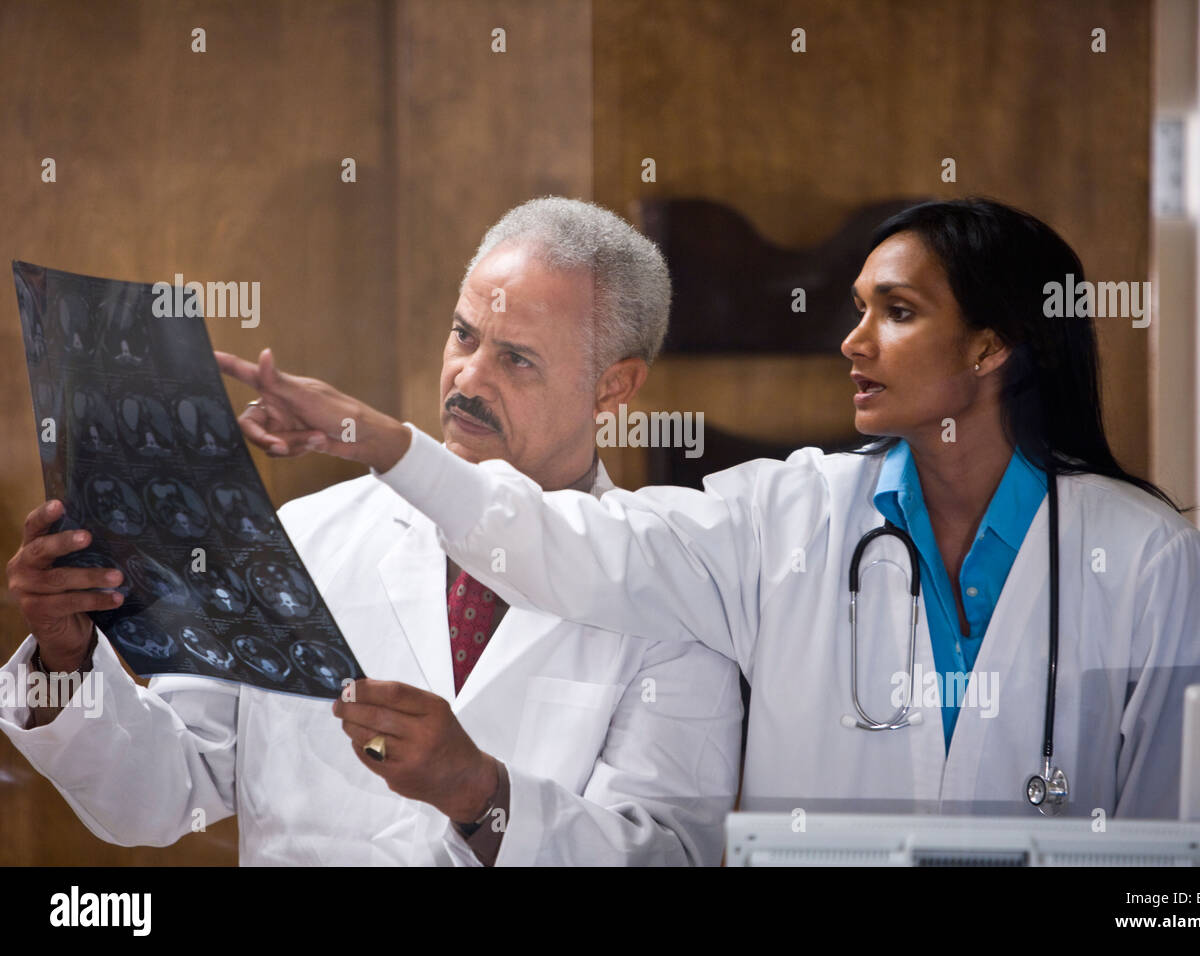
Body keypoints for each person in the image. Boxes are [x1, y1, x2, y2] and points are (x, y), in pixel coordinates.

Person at [215, 198, 1200, 820]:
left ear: (991, 346)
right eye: (856, 307)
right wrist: (382, 441)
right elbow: (557, 543)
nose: (852, 340)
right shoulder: (783, 516)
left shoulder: (1150, 562)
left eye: (898, 311)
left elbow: (1183, 851)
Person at [0, 197, 743, 865]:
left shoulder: (676, 597)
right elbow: (162, 795)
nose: (468, 380)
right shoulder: (303, 538)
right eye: (464, 335)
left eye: (515, 358)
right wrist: (68, 661)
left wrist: (479, 794)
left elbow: (666, 855)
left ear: (614, 387)